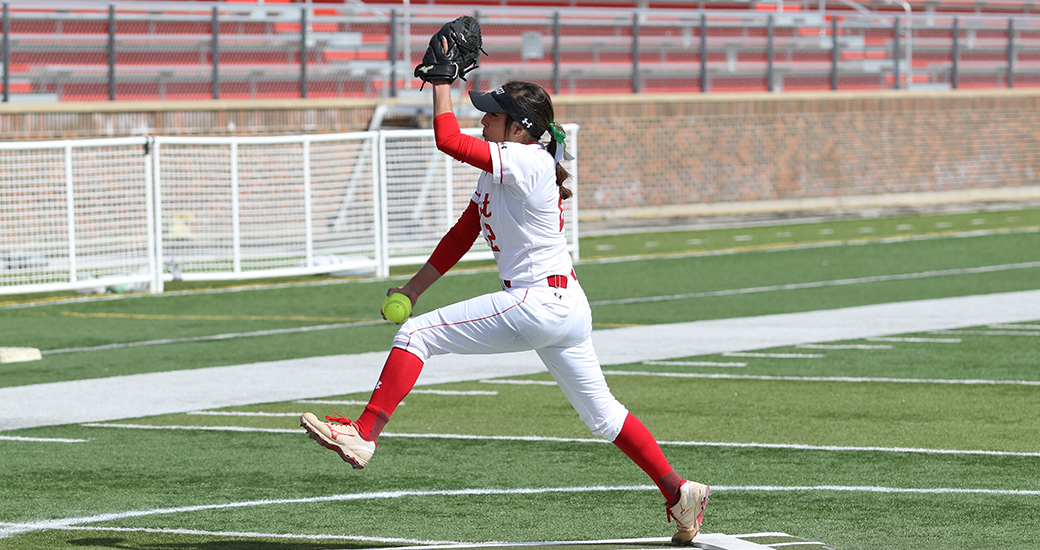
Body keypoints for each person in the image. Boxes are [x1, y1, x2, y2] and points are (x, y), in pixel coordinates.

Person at [300, 76, 710, 545]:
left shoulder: (525, 159)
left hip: (536, 301)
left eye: (492, 114)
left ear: (520, 128)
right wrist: (414, 288)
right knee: (604, 417)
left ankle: (364, 432)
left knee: (416, 337)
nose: (483, 118)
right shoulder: (510, 163)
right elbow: (463, 232)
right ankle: (680, 494)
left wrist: (439, 86)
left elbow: (446, 139)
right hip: (565, 305)